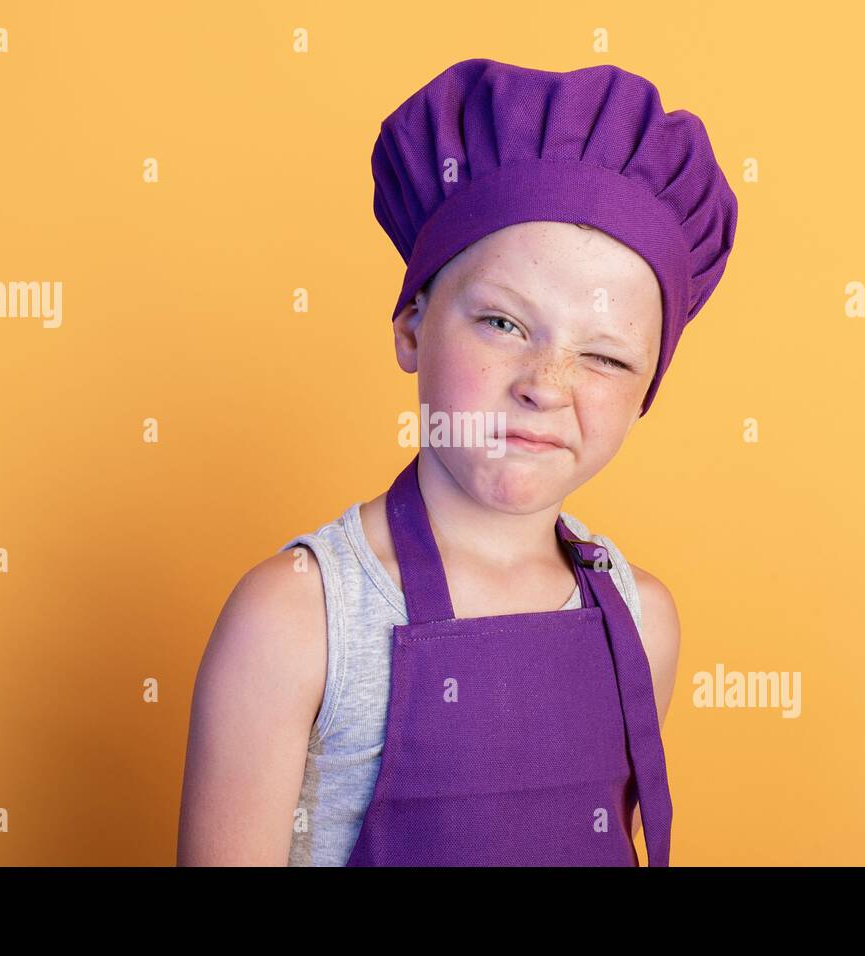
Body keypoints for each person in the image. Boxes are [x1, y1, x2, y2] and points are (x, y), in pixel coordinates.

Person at [177, 57, 738, 866]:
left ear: (646, 390)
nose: (547, 386)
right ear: (411, 326)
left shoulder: (641, 622)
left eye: (607, 359)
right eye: (504, 324)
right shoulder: (297, 620)